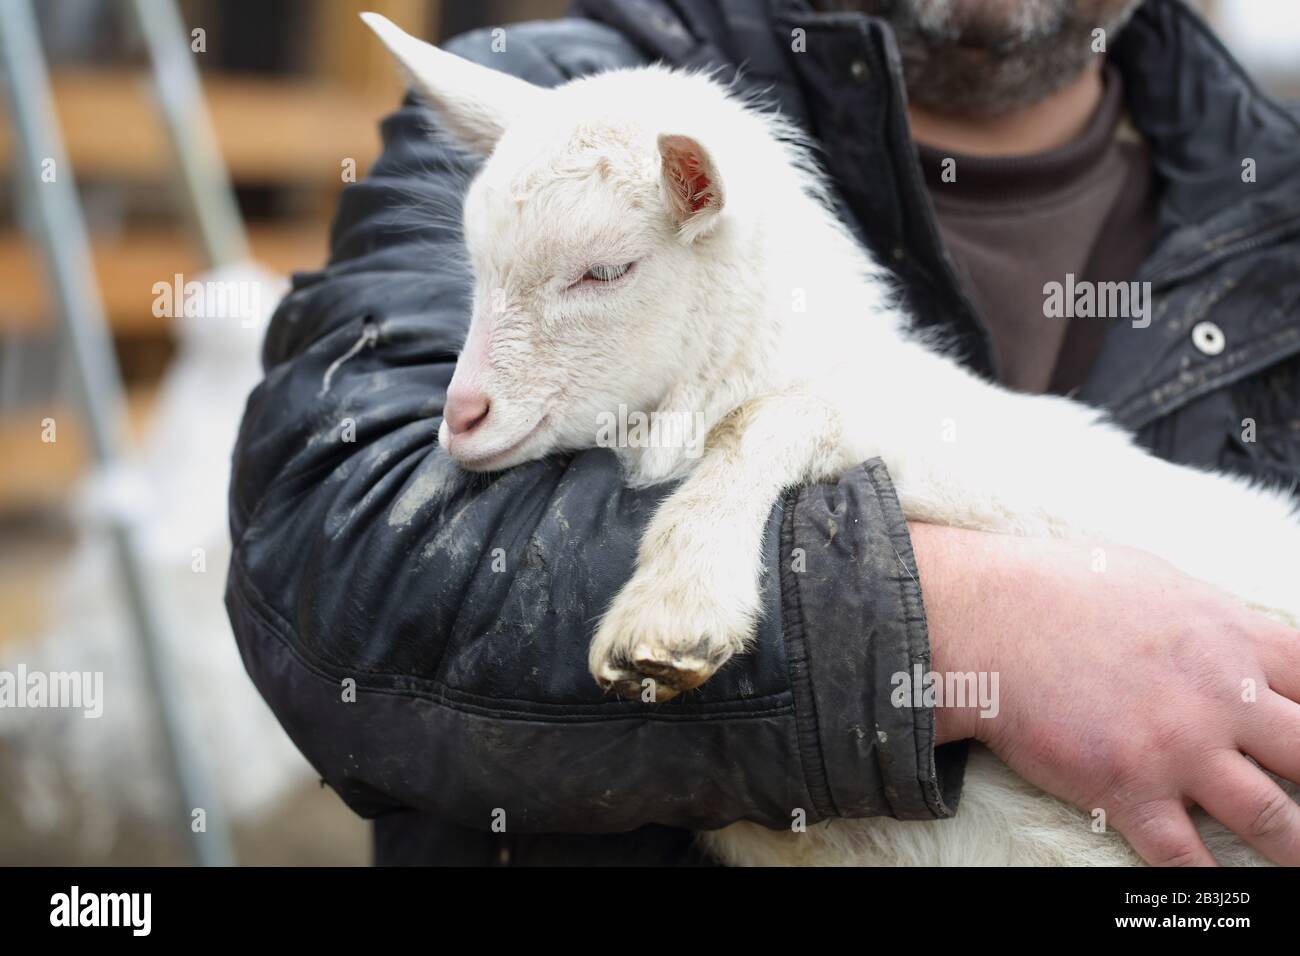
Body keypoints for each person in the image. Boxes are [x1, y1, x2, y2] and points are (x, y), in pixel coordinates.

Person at [225, 0, 1300, 866]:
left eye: (599, 275)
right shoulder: (573, 104)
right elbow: (339, 542)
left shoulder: (1279, 202)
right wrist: (977, 621)